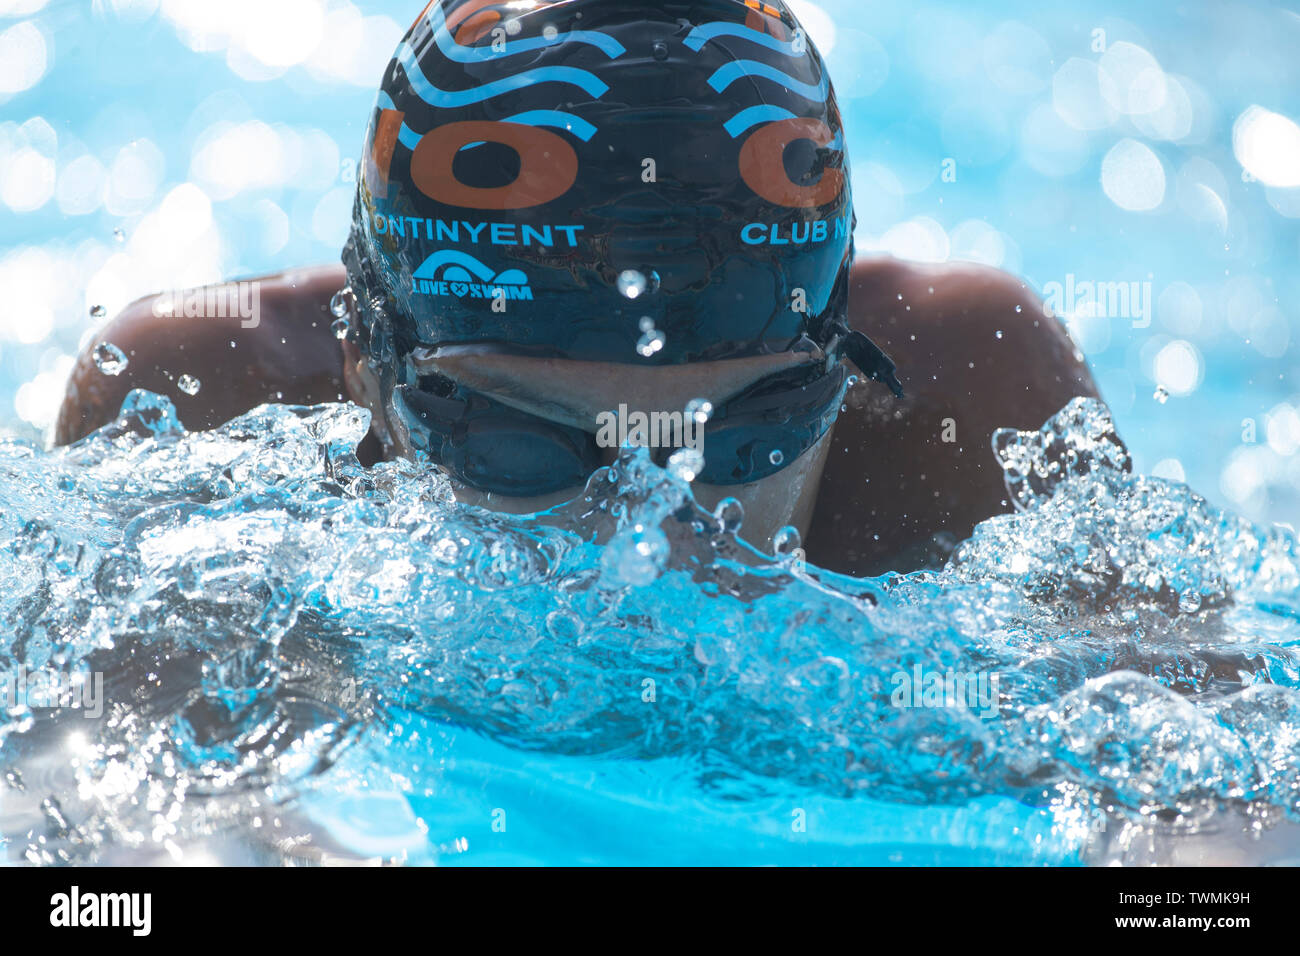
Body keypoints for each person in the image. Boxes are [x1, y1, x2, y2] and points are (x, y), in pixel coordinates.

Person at [55, 0, 1098, 577]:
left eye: (741, 440)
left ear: (843, 365)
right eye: (517, 444)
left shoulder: (969, 393)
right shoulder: (200, 399)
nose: (642, 547)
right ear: (362, 362)